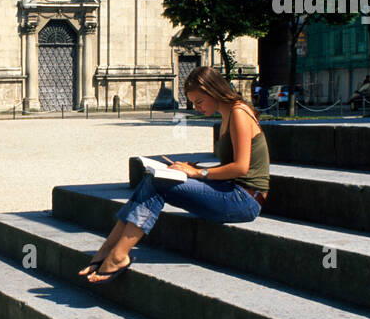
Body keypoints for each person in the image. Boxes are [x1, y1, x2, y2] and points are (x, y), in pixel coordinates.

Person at [81, 66, 269, 284]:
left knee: (158, 183)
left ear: (213, 91)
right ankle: (107, 250)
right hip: (232, 191)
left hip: (245, 200)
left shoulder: (239, 113)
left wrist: (198, 173)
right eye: (193, 103)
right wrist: (190, 169)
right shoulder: (228, 115)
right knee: (152, 179)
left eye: (199, 102)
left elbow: (241, 168)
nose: (197, 108)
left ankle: (117, 255)